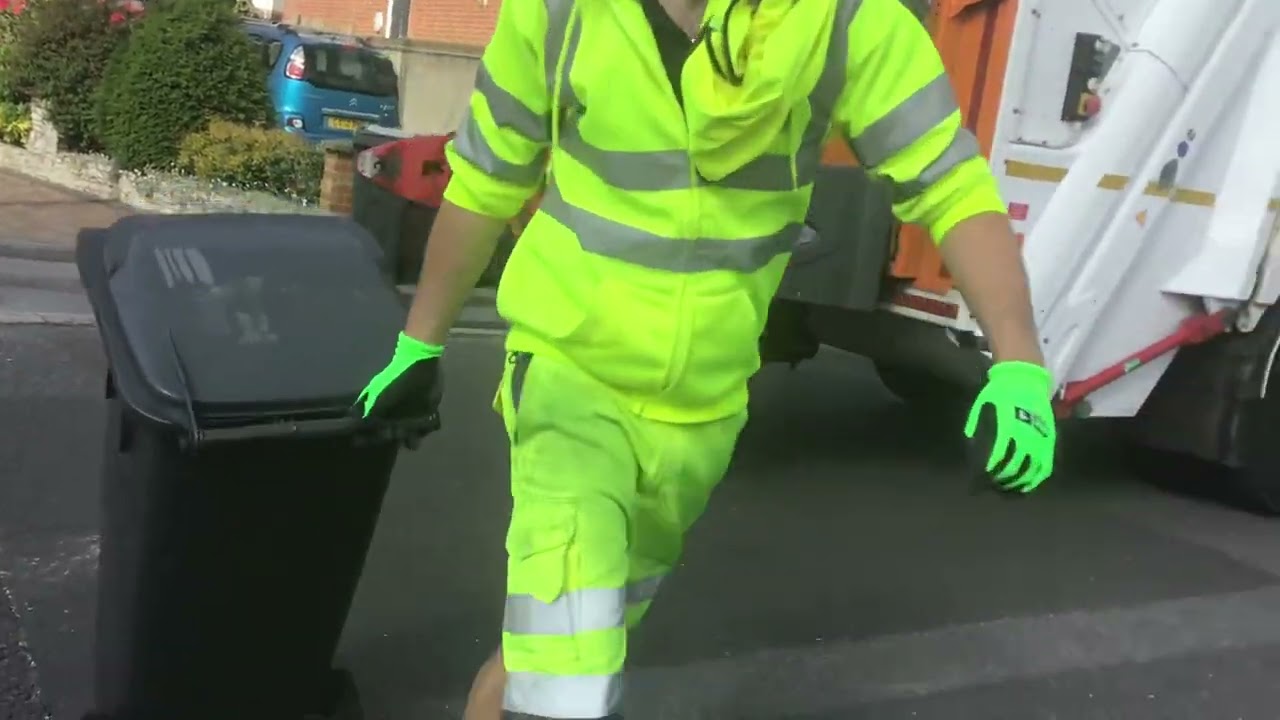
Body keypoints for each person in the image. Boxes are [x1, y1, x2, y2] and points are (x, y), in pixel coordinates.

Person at [355, 0, 1058, 716]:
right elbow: (483, 184)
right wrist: (420, 342)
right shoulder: (558, 12)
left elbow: (951, 183)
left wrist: (1020, 366)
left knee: (550, 652)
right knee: (566, 685)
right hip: (568, 377)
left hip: (703, 412)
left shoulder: (842, 20)